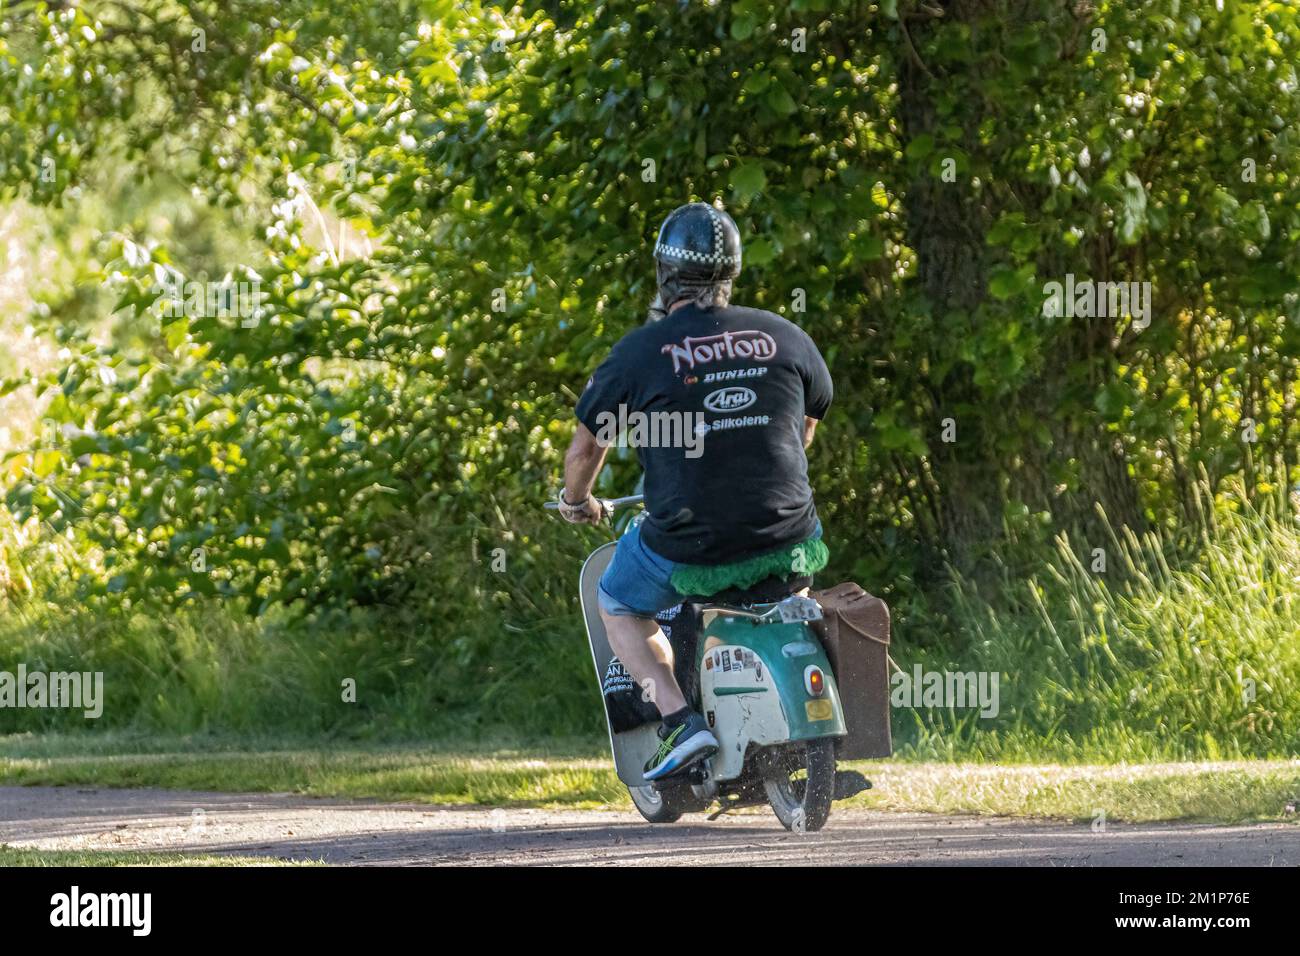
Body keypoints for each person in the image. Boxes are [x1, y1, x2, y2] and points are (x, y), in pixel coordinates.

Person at [558, 201, 833, 781]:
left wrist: (577, 501)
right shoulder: (786, 336)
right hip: (790, 536)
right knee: (781, 573)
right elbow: (803, 431)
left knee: (618, 601)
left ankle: (681, 721)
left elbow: (585, 450)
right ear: (731, 272)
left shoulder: (639, 352)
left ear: (665, 274)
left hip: (690, 543)